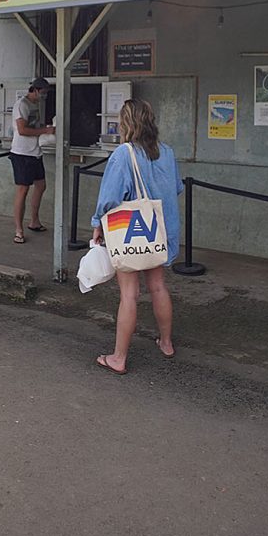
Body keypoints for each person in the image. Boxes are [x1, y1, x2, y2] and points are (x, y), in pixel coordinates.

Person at [89, 98, 182, 375]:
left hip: (130, 232)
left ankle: (119, 358)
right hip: (160, 229)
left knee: (129, 294)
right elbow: (175, 188)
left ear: (126, 123)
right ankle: (166, 343)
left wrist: (98, 224)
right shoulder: (166, 152)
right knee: (158, 287)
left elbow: (109, 199)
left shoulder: (123, 154)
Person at [8, 77, 54, 244]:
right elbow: (22, 130)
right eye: (42, 93)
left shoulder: (36, 105)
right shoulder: (22, 105)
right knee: (23, 190)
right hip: (21, 153)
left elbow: (34, 127)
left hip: (35, 152)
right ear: (34, 90)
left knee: (41, 185)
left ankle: (34, 221)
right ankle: (18, 230)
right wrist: (45, 130)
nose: (44, 96)